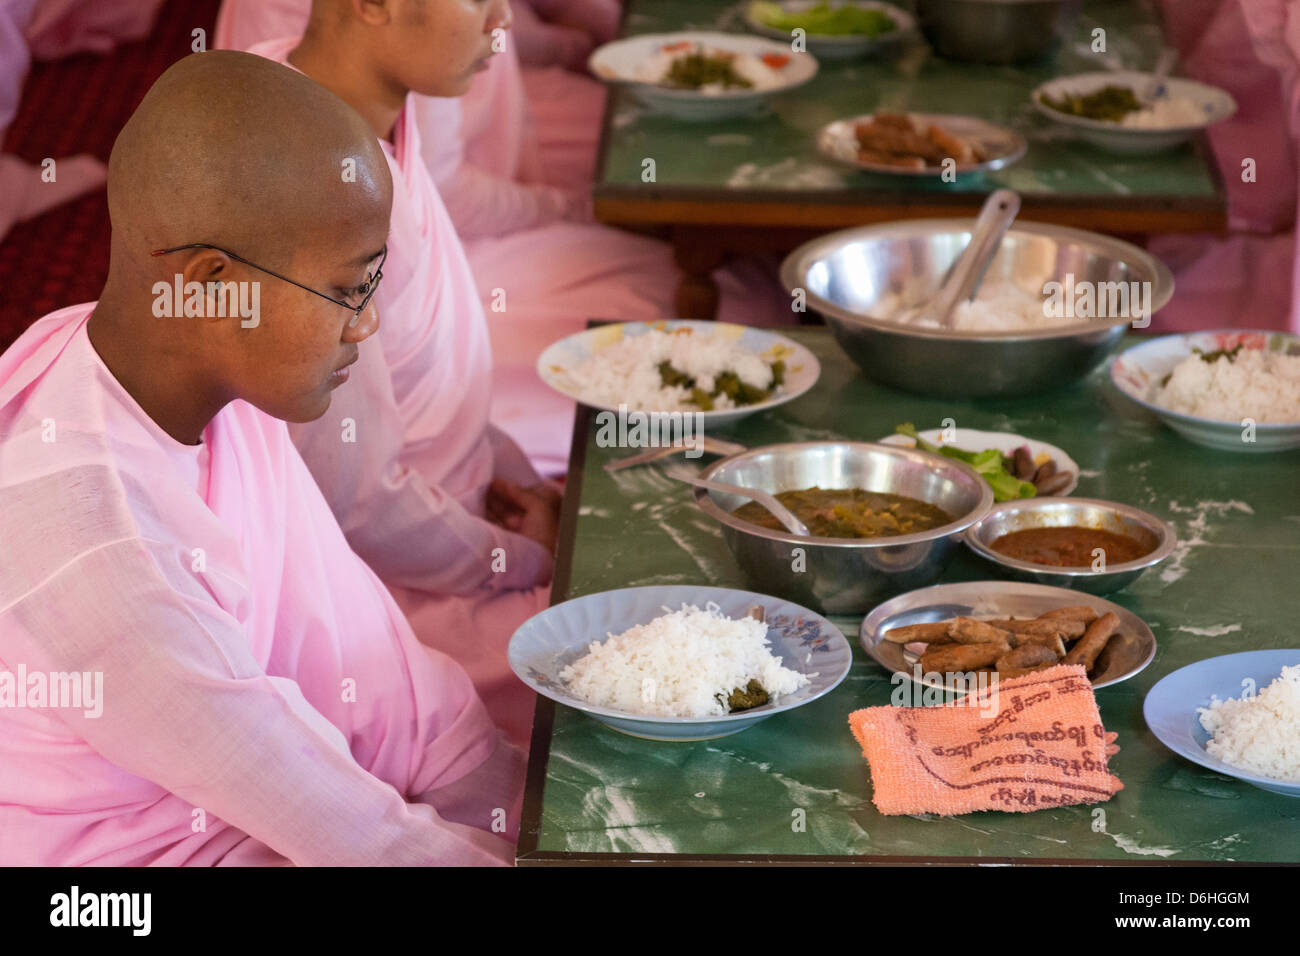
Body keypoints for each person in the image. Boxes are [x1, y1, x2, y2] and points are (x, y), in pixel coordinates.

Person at [0, 50, 521, 866]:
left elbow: (371, 665)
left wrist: (500, 798)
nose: (367, 326)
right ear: (211, 283)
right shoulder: (96, 552)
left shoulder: (208, 389)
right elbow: (343, 830)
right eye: (351, 289)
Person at [244, 0, 566, 748]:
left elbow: (443, 388)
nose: (501, 22)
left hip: (468, 521)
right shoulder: (312, 174)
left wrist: (524, 495)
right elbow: (359, 503)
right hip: (387, 600)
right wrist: (524, 557)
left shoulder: (372, 115)